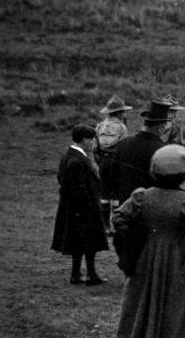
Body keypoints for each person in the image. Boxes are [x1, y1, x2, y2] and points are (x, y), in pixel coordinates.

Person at [111, 144, 185, 338]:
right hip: (177, 260)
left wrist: (135, 236)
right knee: (175, 310)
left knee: (137, 306)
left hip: (144, 259)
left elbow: (119, 218)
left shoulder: (141, 196)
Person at [52, 124, 108, 285]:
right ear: (84, 140)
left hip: (75, 209)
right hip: (84, 209)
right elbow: (77, 188)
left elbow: (61, 179)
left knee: (78, 244)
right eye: (91, 140)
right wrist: (86, 207)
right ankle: (91, 275)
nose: (92, 144)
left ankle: (77, 274)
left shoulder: (69, 156)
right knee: (89, 244)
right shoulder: (77, 161)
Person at [110, 100, 172, 205]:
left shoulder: (122, 144)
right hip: (149, 210)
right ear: (161, 127)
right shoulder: (162, 151)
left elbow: (113, 177)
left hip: (125, 209)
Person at [95, 95, 132, 234]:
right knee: (117, 194)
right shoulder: (122, 128)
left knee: (104, 194)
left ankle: (105, 227)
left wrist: (100, 161)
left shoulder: (100, 126)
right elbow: (124, 147)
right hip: (117, 161)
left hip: (103, 161)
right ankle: (116, 226)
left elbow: (95, 147)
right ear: (120, 112)